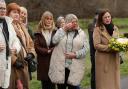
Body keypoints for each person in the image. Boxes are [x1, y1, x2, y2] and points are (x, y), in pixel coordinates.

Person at [48, 14, 89, 89]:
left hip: (74, 67)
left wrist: (75, 54)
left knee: (74, 87)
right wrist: (64, 29)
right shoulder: (61, 31)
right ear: (67, 22)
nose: (75, 23)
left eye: (76, 21)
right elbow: (54, 41)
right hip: (61, 67)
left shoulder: (81, 33)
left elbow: (86, 49)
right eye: (72, 22)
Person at [7, 3, 35, 89]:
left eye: (18, 12)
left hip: (24, 64)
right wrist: (14, 61)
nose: (17, 14)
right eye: (14, 12)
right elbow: (5, 46)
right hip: (13, 67)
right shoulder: (6, 26)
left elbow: (30, 42)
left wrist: (31, 53)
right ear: (8, 14)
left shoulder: (21, 26)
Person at [93, 9, 120, 89]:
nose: (107, 19)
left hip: (114, 59)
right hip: (103, 61)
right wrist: (110, 47)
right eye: (105, 17)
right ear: (101, 19)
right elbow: (96, 45)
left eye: (109, 17)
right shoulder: (97, 29)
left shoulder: (115, 28)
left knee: (114, 84)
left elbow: (117, 41)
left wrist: (122, 45)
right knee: (104, 85)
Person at [0, 0, 21, 89]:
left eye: (4, 8)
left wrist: (15, 48)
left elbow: (16, 40)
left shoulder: (8, 23)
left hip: (6, 66)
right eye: (0, 8)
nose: (3, 10)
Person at [34, 11, 56, 89]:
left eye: (50, 19)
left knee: (53, 84)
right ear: (43, 20)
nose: (49, 20)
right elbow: (36, 47)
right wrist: (47, 51)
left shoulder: (55, 31)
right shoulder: (38, 32)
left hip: (53, 61)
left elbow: (58, 45)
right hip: (43, 62)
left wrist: (52, 50)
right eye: (47, 19)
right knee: (45, 85)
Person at [88, 9, 101, 89]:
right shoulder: (91, 25)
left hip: (100, 53)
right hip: (94, 52)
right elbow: (92, 42)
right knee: (94, 73)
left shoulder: (101, 24)